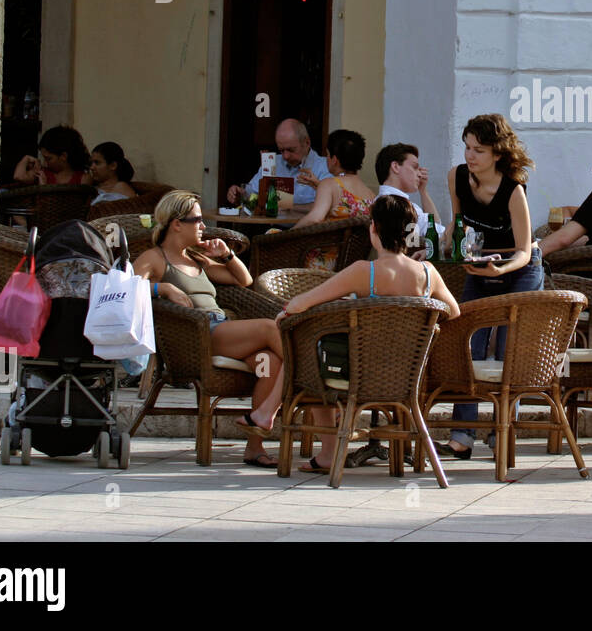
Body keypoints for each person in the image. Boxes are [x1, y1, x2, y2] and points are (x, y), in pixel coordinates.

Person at [279, 195, 460, 473]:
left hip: (360, 373)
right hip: (409, 374)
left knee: (314, 370)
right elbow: (453, 311)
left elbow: (301, 303)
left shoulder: (365, 272)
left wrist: (289, 311)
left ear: (373, 229)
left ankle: (328, 454)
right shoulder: (428, 273)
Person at [132, 190, 283, 468]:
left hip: (222, 331)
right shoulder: (155, 258)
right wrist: (162, 287)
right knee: (271, 328)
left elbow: (244, 280)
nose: (203, 226)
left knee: (269, 363)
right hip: (196, 337)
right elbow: (127, 286)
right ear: (177, 224)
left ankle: (254, 446)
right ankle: (312, 380)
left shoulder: (196, 259)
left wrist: (226, 256)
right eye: (197, 220)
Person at [439, 114, 540, 459]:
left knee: (510, 351)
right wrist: (442, 247)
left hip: (517, 268)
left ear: (497, 153)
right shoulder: (456, 177)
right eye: (467, 147)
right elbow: (457, 226)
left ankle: (503, 433)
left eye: (478, 150)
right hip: (481, 264)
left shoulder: (513, 189)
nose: (470, 156)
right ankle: (461, 436)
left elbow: (525, 251)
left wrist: (500, 271)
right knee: (468, 345)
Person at [291, 130, 374, 271]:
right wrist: (318, 186)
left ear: (335, 160)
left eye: (328, 155)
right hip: (351, 265)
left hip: (323, 262)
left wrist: (287, 234)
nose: (326, 159)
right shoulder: (371, 195)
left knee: (272, 235)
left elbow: (314, 218)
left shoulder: (329, 184)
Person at [225, 118, 330, 207]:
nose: (285, 156)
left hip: (309, 230)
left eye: (291, 150)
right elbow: (253, 195)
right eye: (281, 150)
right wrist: (239, 195)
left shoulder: (324, 167)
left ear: (307, 143)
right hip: (272, 228)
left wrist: (287, 207)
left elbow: (329, 205)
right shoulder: (273, 162)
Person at [375, 142, 445, 242]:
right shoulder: (402, 208)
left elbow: (435, 224)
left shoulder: (378, 201)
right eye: (415, 167)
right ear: (395, 167)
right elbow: (439, 233)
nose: (420, 174)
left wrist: (423, 191)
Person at [12, 125, 90, 185]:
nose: (45, 163)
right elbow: (18, 176)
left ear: (63, 156)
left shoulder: (82, 178)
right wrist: (26, 158)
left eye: (49, 159)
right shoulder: (42, 173)